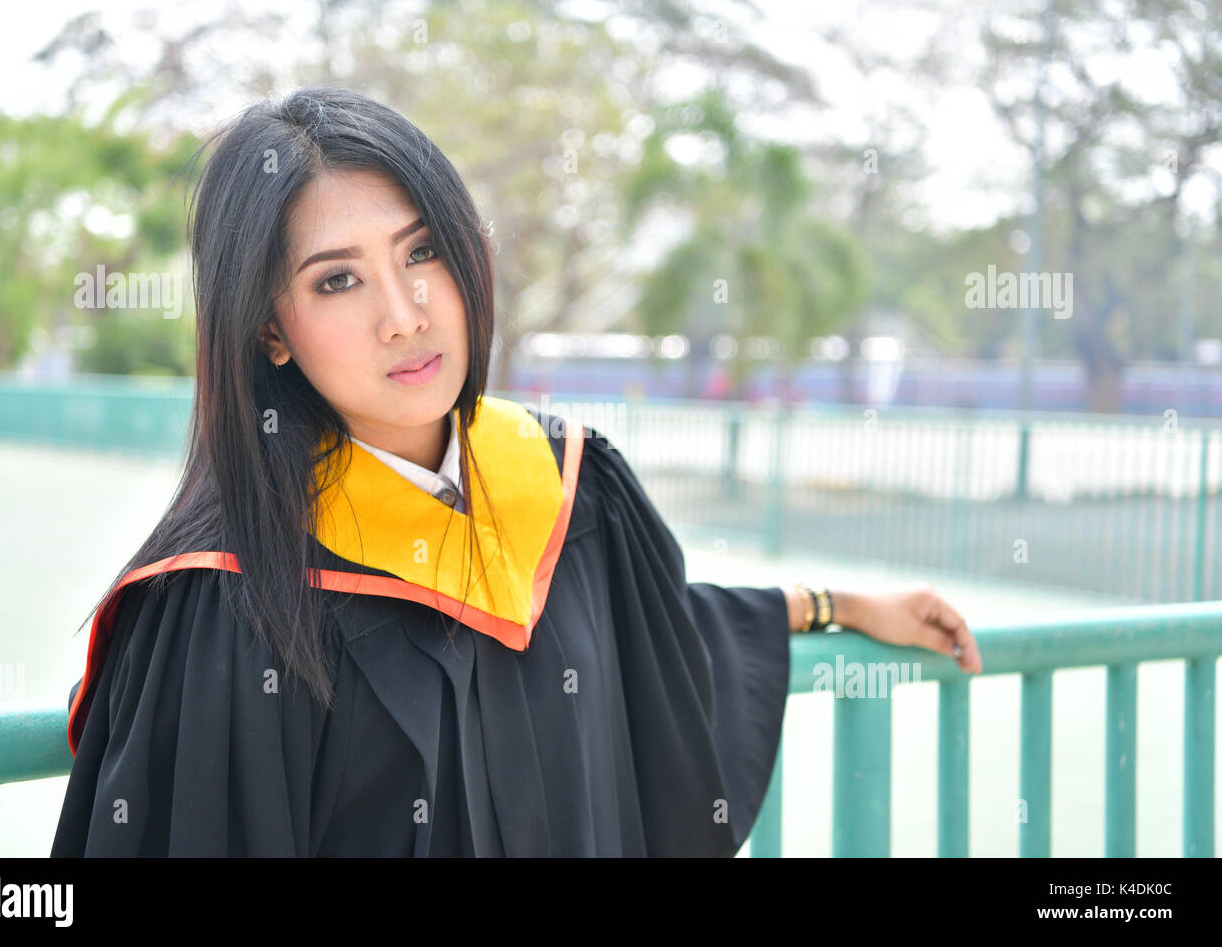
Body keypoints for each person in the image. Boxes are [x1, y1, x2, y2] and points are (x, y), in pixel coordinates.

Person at [51, 86, 981, 858]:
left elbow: (640, 632)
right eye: (339, 280)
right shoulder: (223, 600)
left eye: (422, 252)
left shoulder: (567, 485)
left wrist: (832, 605)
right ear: (268, 331)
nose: (405, 314)